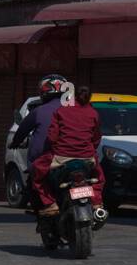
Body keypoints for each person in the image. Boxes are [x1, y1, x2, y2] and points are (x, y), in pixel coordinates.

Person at [39, 85, 105, 217]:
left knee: (37, 172)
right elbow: (96, 138)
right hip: (87, 157)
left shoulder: (61, 111)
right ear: (89, 97)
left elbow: (52, 137)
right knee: (99, 178)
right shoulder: (93, 113)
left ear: (72, 97)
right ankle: (97, 203)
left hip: (61, 157)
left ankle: (51, 204)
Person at [9, 74, 68, 210]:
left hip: (50, 158)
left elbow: (22, 131)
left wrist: (15, 143)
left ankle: (47, 207)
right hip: (81, 157)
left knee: (36, 178)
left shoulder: (39, 111)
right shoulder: (76, 110)